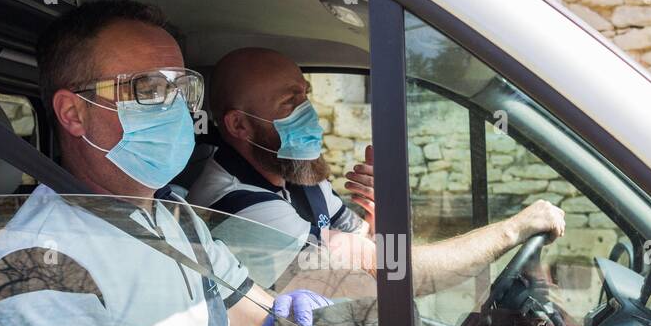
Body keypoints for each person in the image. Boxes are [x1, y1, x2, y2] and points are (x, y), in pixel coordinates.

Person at [0, 0, 469, 326]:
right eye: (148, 89)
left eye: (181, 87)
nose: (177, 107)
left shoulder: (175, 218)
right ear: (74, 113)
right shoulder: (39, 267)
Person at [187, 47, 567, 296]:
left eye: (306, 95)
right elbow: (395, 279)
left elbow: (372, 252)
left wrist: (378, 214)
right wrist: (511, 229)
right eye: (290, 103)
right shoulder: (235, 206)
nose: (310, 113)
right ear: (239, 125)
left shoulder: (300, 177)